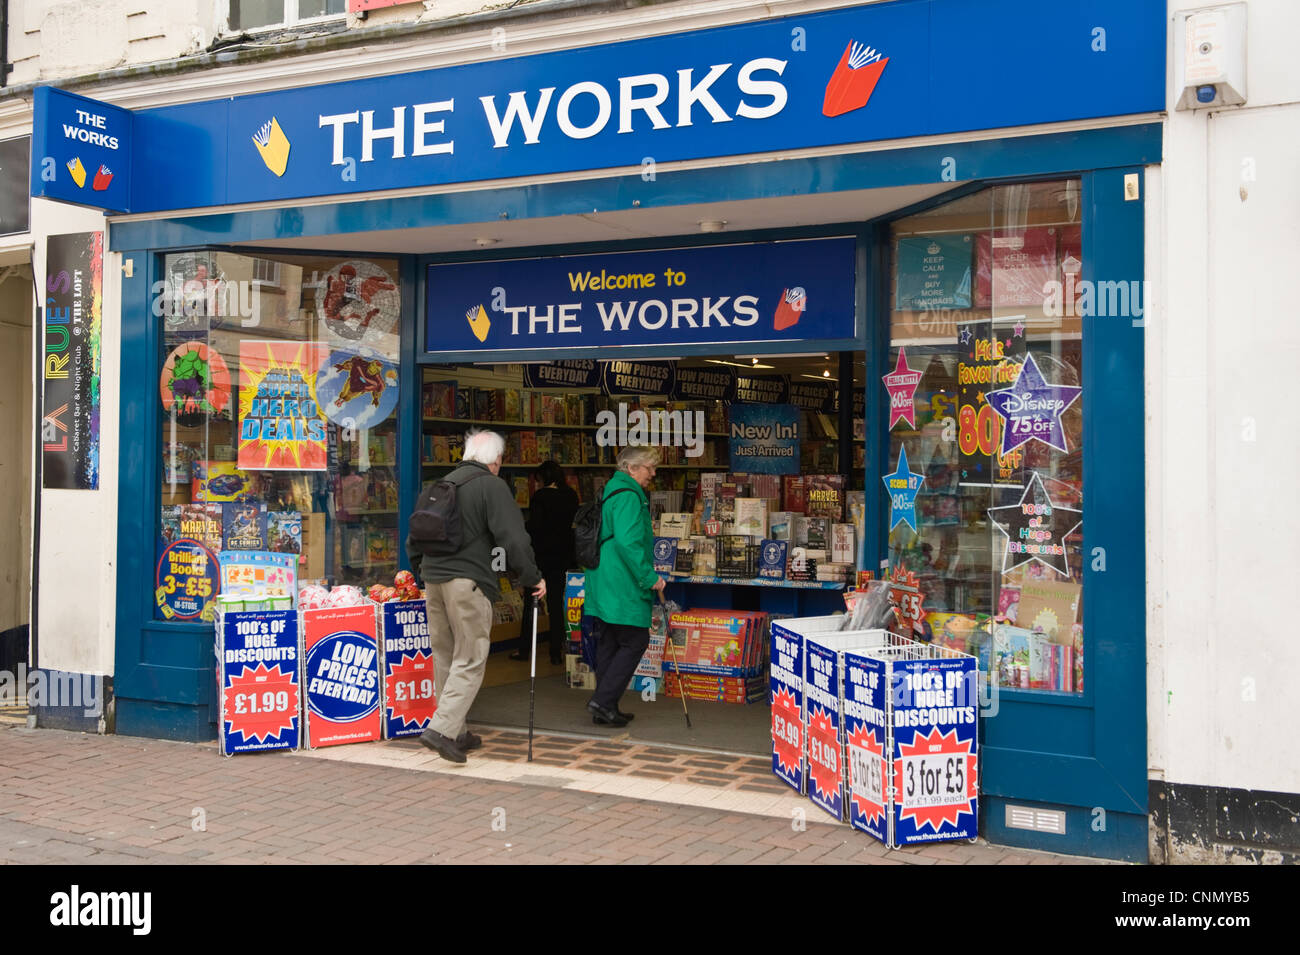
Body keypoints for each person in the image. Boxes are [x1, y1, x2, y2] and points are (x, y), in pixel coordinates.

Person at [406, 429, 545, 763]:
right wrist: (532, 578)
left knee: (444, 657)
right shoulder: (491, 486)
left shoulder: (438, 486)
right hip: (467, 584)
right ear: (495, 461)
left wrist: (423, 573)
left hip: (433, 582)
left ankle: (457, 730)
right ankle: (440, 730)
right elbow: (514, 538)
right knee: (470, 658)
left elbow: (414, 540)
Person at [582, 445, 665, 727]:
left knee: (609, 640)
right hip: (622, 581)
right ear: (631, 468)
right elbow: (628, 543)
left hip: (602, 577)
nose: (653, 473)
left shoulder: (611, 489)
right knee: (635, 640)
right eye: (648, 467)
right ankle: (603, 701)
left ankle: (605, 707)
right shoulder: (630, 496)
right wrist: (649, 577)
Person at [513, 460, 580, 666]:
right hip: (563, 556)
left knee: (531, 604)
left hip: (541, 557)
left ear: (544, 478)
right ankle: (555, 652)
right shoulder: (570, 495)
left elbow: (535, 527)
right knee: (556, 604)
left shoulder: (541, 497)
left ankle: (525, 650)